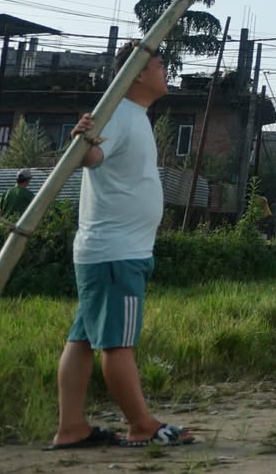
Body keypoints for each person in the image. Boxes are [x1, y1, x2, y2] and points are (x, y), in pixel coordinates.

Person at [48, 43, 195, 450]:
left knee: (82, 340)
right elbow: (93, 155)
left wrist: (89, 145)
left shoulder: (134, 116)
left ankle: (71, 427)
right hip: (116, 254)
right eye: (160, 65)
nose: (166, 71)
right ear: (136, 74)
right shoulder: (119, 113)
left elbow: (98, 153)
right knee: (117, 343)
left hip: (112, 251)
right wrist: (83, 141)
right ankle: (141, 424)